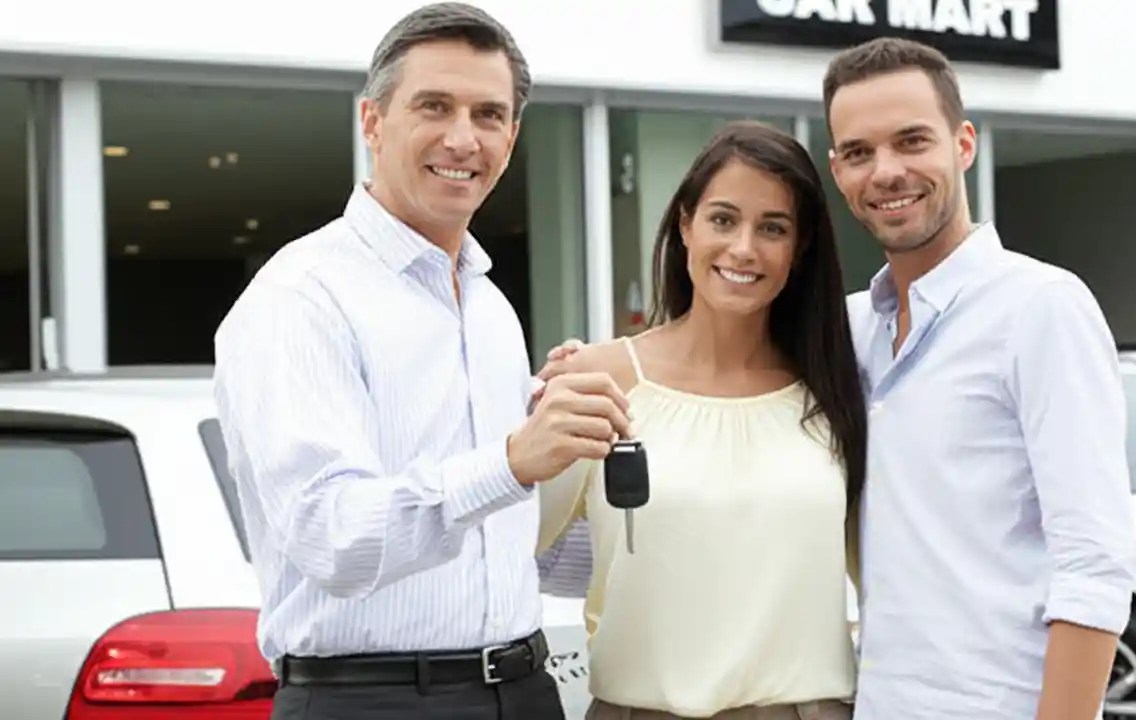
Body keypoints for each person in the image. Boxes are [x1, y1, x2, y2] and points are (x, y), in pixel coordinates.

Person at [211, 4, 631, 719]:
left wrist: (598, 460)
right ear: (372, 122)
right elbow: (332, 537)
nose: (463, 138)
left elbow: (515, 549)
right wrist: (511, 460)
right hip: (374, 703)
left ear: (513, 135)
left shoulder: (489, 306)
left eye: (489, 114)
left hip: (527, 691)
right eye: (434, 106)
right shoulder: (301, 297)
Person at [823, 38, 1136, 720]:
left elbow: (1095, 566)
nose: (886, 171)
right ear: (837, 170)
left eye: (912, 141)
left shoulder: (1040, 308)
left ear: (963, 144)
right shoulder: (849, 331)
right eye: (858, 152)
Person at [535, 121, 869, 720]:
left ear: (801, 249)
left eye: (773, 228)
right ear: (686, 224)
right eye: (723, 219)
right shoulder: (597, 379)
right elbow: (504, 548)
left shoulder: (838, 389)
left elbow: (888, 576)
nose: (744, 248)